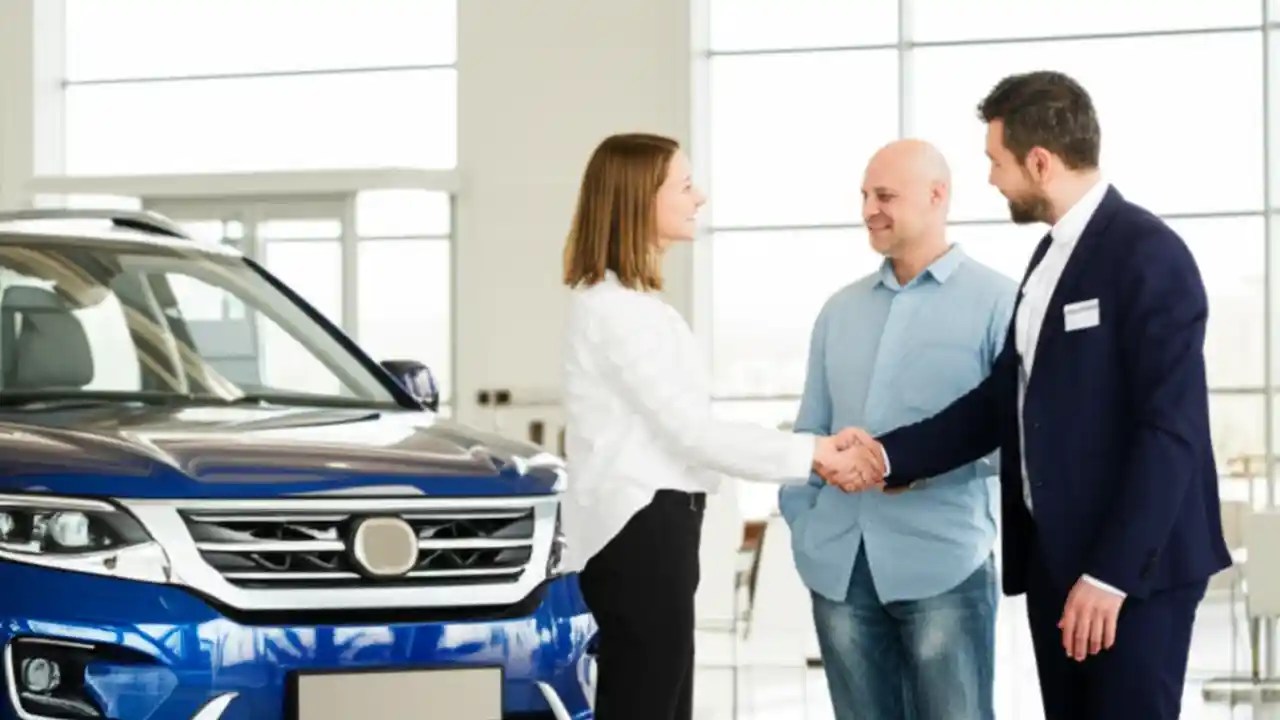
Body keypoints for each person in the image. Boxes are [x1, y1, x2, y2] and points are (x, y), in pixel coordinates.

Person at [829, 71, 1232, 719]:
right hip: (1060, 569)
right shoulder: (1049, 258)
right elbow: (1002, 404)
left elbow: (1171, 431)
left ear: (1038, 162)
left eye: (996, 161)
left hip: (1131, 578)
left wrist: (1111, 575)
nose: (990, 179)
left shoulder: (1148, 254)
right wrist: (885, 455)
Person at [559, 132, 883, 720]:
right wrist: (813, 454)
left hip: (655, 531)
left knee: (662, 700)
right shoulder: (615, 312)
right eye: (684, 185)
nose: (699, 197)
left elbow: (690, 431)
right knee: (647, 703)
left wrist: (809, 451)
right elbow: (693, 433)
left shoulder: (635, 307)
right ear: (638, 199)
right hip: (639, 535)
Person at [780, 139, 1015, 720]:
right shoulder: (840, 310)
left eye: (884, 195)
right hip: (839, 567)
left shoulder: (1000, 303)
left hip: (944, 565)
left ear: (938, 196)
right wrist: (803, 524)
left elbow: (1020, 439)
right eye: (864, 195)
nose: (868, 209)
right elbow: (809, 428)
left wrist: (914, 469)